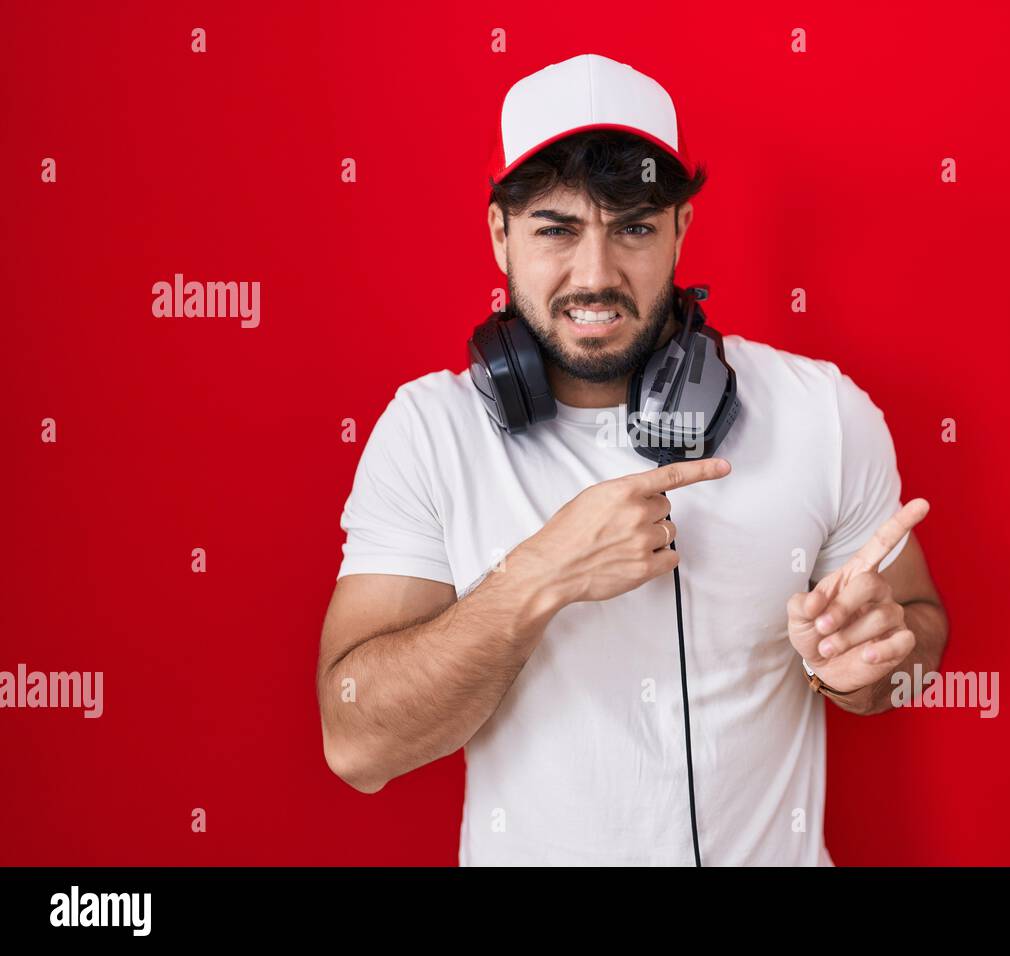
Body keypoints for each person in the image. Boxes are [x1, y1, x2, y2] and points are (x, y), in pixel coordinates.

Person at [316, 53, 949, 866]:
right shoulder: (427, 433)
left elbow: (918, 632)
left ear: (682, 230)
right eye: (556, 229)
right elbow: (356, 742)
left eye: (635, 228)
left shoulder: (820, 411)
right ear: (499, 233)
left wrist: (864, 671)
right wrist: (540, 573)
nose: (596, 275)